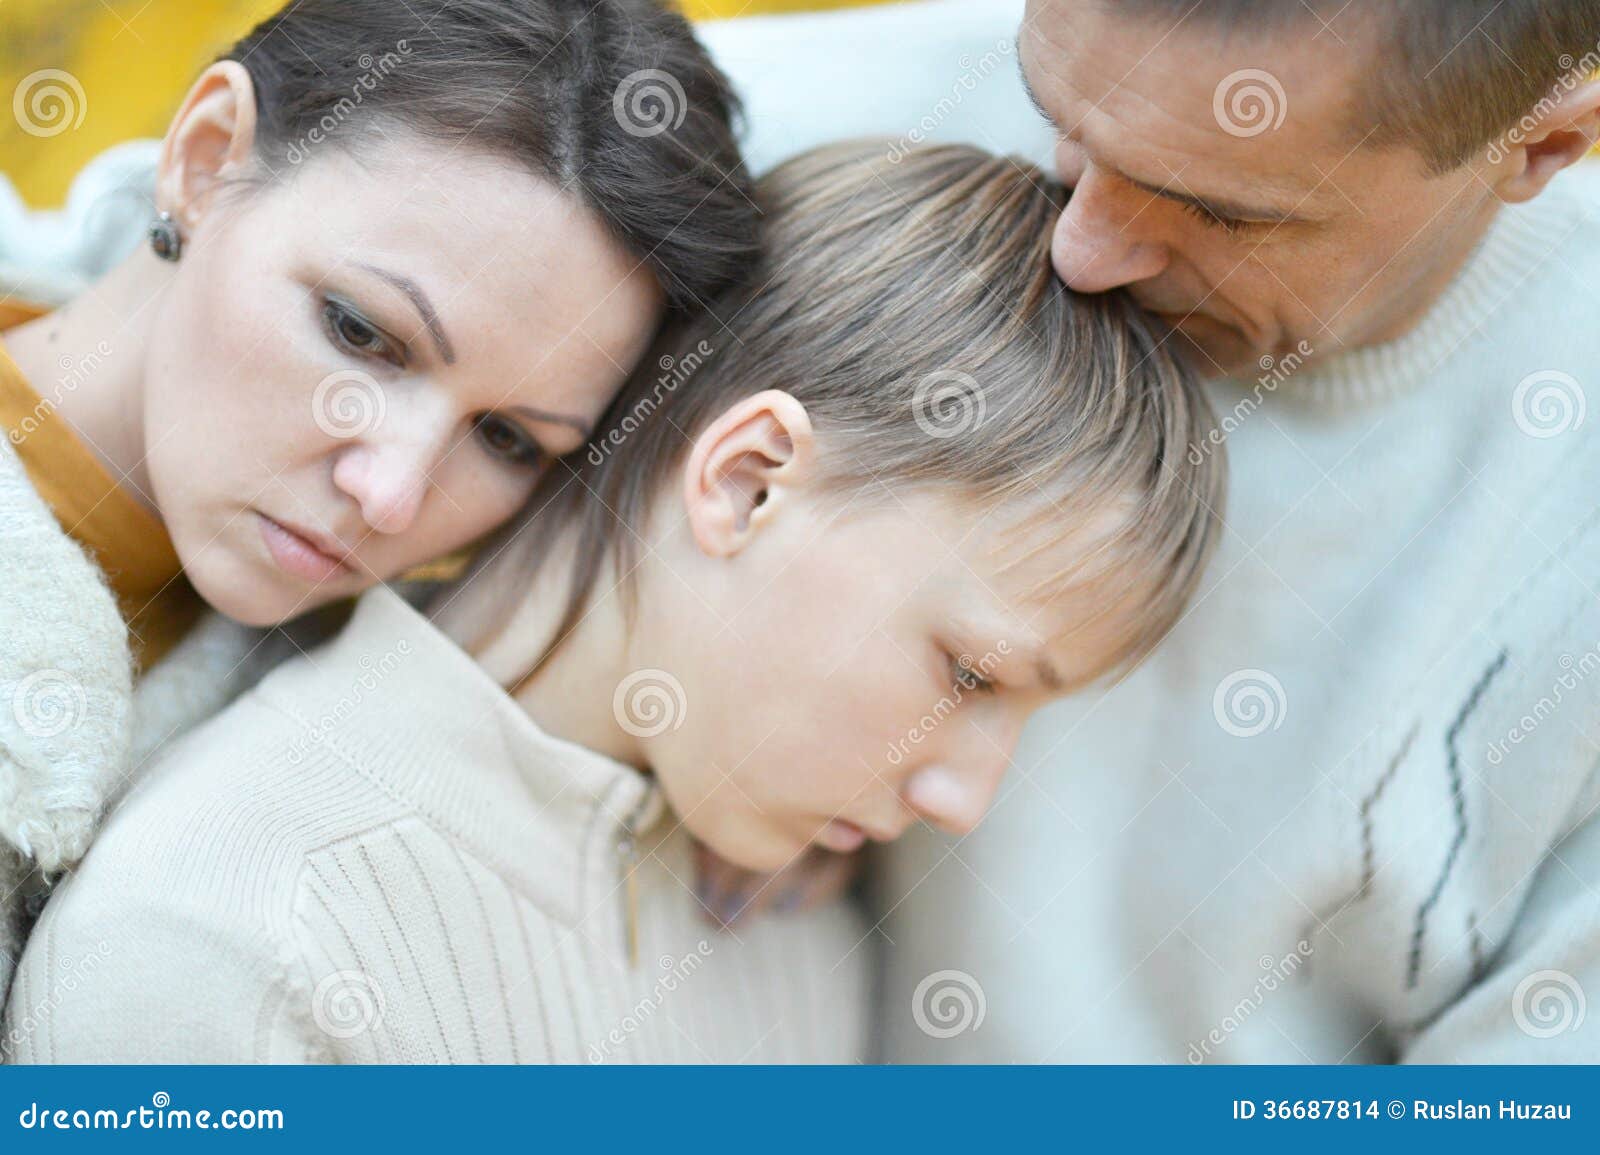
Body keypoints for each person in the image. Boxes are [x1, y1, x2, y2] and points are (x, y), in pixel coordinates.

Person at [2, 140, 1221, 1062]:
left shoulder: (790, 934)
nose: (962, 798)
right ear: (746, 484)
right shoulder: (222, 943)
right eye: (967, 674)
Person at [881, 0, 1600, 1062]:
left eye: (1216, 212)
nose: (1078, 250)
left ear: (1540, 144)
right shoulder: (760, 141)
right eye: (1058, 116)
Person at [0, 0, 753, 999]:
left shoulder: (377, 669)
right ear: (207, 158)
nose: (391, 495)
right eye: (361, 333)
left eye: (508, 439)